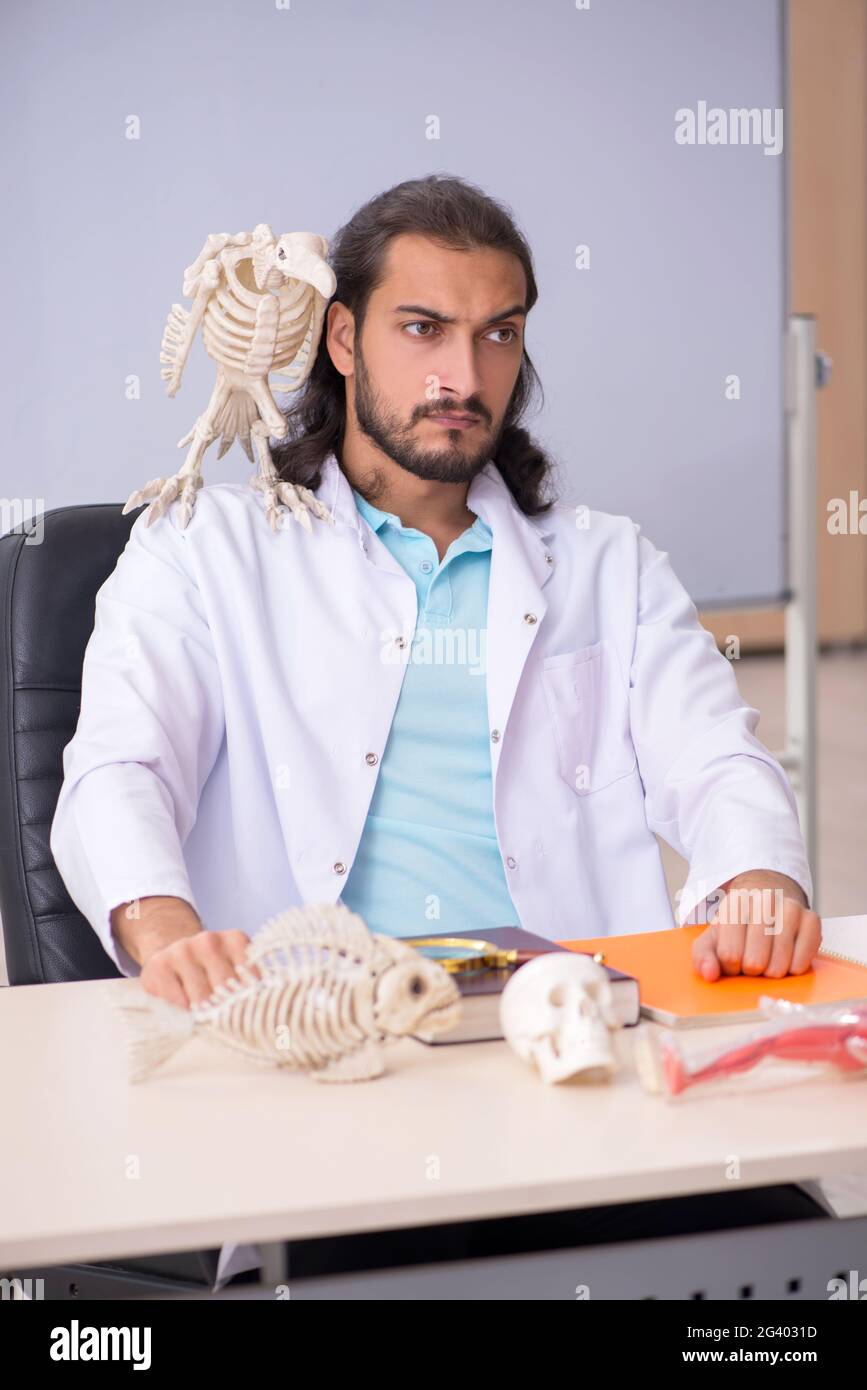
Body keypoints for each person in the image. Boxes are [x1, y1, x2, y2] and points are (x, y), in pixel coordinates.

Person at [50, 175, 826, 1281]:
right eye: (423, 329)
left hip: (572, 1059)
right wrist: (166, 930)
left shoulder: (605, 563)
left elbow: (721, 762)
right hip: (338, 1070)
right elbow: (117, 768)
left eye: (497, 334)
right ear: (344, 339)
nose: (464, 378)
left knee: (789, 1266)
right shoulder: (205, 552)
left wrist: (759, 882)